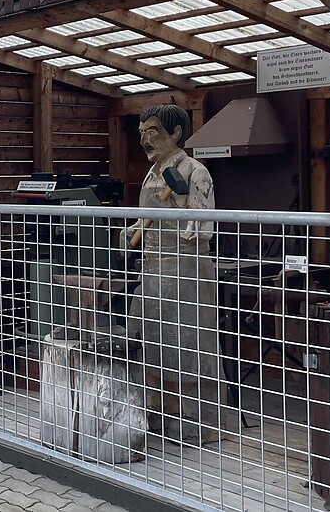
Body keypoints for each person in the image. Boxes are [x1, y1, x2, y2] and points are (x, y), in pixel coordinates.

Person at [121, 104, 222, 447]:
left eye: (153, 132)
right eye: (142, 133)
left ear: (176, 133)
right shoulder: (151, 176)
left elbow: (201, 228)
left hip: (188, 271)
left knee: (189, 347)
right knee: (147, 343)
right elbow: (141, 224)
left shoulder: (196, 172)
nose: (145, 140)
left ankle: (197, 423)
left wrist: (174, 203)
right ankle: (154, 413)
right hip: (151, 271)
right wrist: (130, 235)